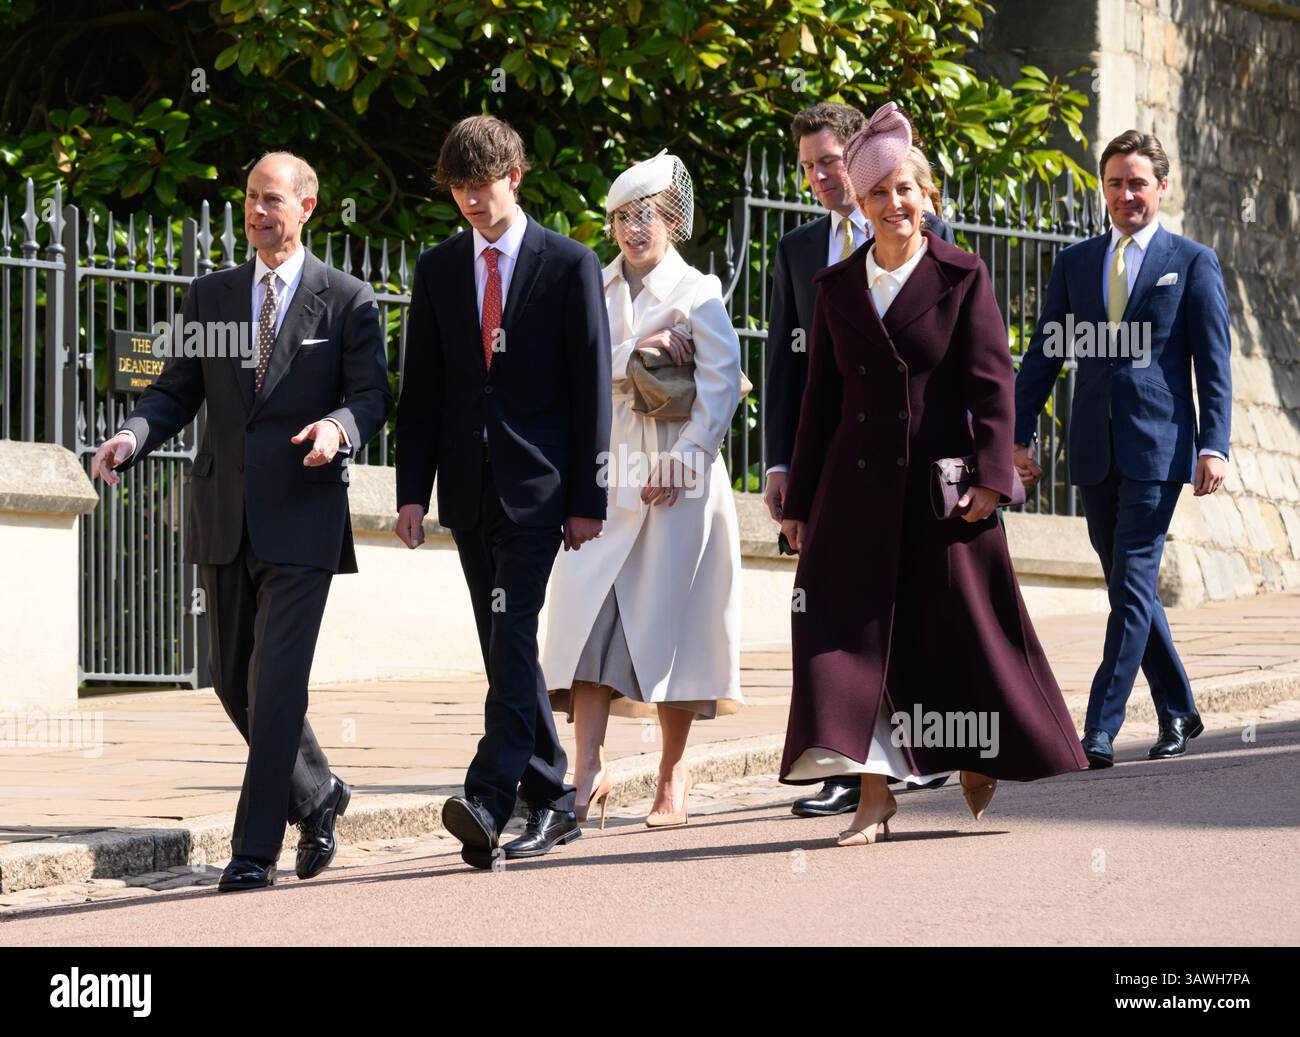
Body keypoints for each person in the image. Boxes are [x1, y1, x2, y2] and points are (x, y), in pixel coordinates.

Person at [778, 102, 1088, 847]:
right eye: (877, 193)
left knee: (959, 635)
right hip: (852, 498)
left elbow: (992, 384)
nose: (894, 205)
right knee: (839, 635)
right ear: (860, 203)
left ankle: (979, 757)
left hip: (943, 497)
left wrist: (993, 477)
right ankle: (873, 794)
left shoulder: (963, 275)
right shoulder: (835, 287)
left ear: (930, 198)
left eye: (906, 190)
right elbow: (819, 401)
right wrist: (798, 498)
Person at [91, 152, 393, 890]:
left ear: (308, 207)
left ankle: (254, 848)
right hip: (224, 514)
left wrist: (338, 430)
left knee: (278, 684)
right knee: (232, 679)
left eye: (273, 200)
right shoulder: (211, 296)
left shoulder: (348, 300)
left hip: (303, 520)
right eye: (252, 198)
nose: (259, 212)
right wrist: (132, 434)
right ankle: (317, 792)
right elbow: (174, 391)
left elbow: (372, 398)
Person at [395, 115, 612, 869]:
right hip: (465, 487)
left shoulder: (570, 263)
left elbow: (591, 391)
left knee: (513, 629)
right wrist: (411, 492)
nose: (470, 202)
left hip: (540, 489)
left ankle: (488, 793)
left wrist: (590, 497)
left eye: (481, 187)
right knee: (502, 645)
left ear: (515, 177)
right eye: (458, 189)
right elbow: (418, 390)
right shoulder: (437, 268)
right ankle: (554, 793)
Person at [763, 101, 957, 820]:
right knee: (837, 616)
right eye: (808, 165)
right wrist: (783, 468)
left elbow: (968, 365)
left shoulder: (929, 237)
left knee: (917, 614)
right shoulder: (797, 252)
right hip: (842, 464)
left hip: (920, 464)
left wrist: (979, 468)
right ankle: (853, 769)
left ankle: (923, 753)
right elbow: (793, 373)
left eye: (829, 161)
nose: (819, 175)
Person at [1014, 130, 1232, 768]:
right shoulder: (1076, 262)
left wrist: (1213, 445)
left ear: (1162, 187)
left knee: (1133, 579)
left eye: (1138, 182)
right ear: (1102, 189)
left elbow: (1213, 366)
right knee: (1129, 590)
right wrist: (1018, 434)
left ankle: (1099, 728)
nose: (1126, 194)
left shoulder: (1191, 261)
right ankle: (1179, 710)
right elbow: (1043, 356)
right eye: (1115, 183)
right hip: (1093, 450)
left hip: (1160, 451)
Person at [541, 151, 744, 830]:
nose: (634, 228)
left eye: (648, 214)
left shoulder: (700, 291)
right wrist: (639, 354)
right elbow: (573, 376)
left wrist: (685, 461)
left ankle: (672, 771)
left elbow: (720, 386)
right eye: (623, 216)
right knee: (586, 616)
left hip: (677, 480)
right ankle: (588, 770)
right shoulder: (592, 287)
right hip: (608, 470)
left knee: (675, 627)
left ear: (673, 219)